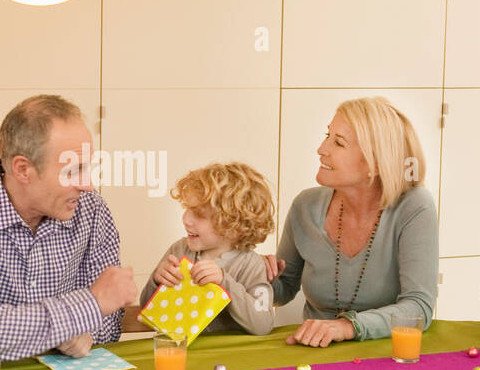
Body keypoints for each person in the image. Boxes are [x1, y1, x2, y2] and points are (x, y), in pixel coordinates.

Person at [0, 94, 138, 361]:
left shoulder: (92, 208)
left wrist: (86, 328)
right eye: (73, 171)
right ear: (23, 170)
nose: (88, 184)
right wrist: (83, 309)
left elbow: (108, 323)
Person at [269, 97, 438, 346]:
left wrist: (347, 327)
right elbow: (282, 289)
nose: (321, 149)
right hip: (312, 354)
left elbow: (419, 307)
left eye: (338, 142)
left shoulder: (413, 206)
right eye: (327, 135)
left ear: (376, 163)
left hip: (385, 355)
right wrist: (246, 274)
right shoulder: (305, 206)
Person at [140, 162, 277, 335]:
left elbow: (263, 324)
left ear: (234, 227)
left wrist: (224, 284)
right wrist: (156, 281)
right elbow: (148, 311)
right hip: (180, 354)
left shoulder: (252, 265)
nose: (186, 218)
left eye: (199, 214)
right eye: (187, 209)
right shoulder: (179, 250)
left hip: (229, 358)